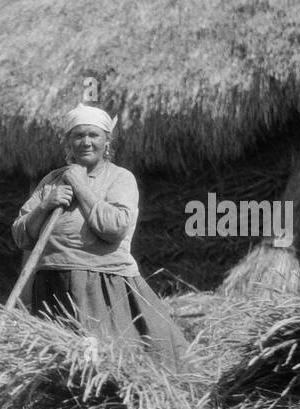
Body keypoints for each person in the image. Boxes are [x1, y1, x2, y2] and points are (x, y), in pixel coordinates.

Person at [11, 104, 185, 369]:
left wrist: (79, 185)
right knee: (58, 363)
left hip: (100, 282)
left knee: (102, 360)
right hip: (52, 282)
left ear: (107, 141)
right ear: (68, 142)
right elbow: (21, 235)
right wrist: (46, 205)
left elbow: (114, 227)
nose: (85, 142)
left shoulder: (120, 178)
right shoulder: (51, 181)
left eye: (93, 135)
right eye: (78, 135)